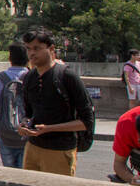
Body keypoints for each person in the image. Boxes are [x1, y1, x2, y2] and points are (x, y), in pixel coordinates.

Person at [18, 28, 93, 176]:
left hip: (59, 150)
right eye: (28, 49)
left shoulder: (67, 76)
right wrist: (24, 124)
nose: (31, 53)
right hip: (33, 147)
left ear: (51, 49)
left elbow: (86, 122)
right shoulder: (29, 77)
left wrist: (50, 128)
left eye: (37, 48)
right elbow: (28, 113)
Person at [0, 42, 30, 168]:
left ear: (10, 59)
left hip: (5, 133)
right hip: (28, 133)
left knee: (9, 173)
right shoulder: (33, 78)